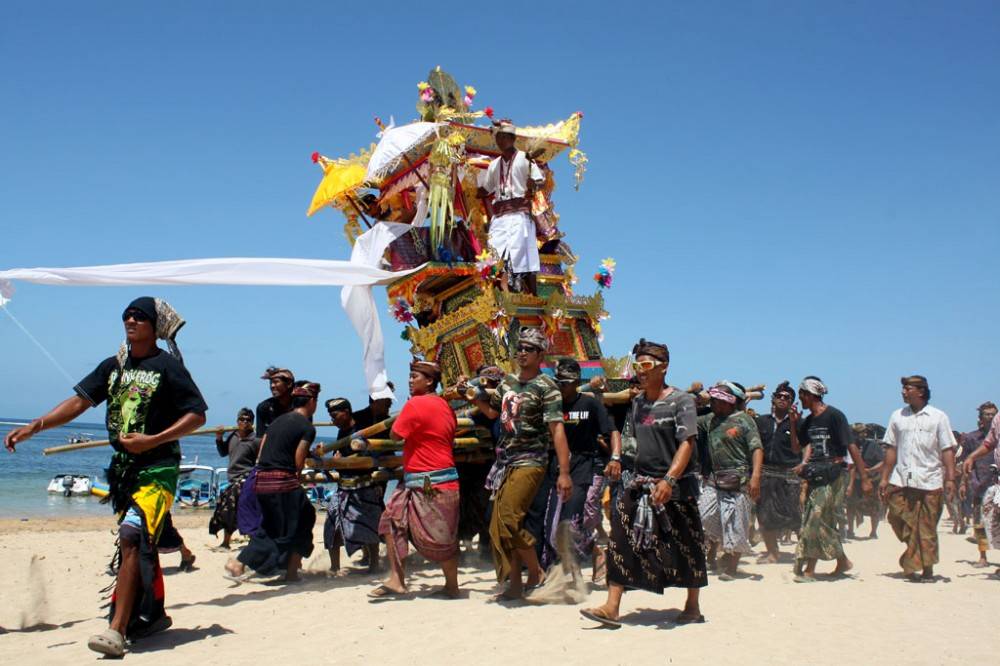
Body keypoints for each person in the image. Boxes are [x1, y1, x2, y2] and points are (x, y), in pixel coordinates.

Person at [5, 297, 207, 658]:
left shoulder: (168, 367)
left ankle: (116, 631)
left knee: (131, 536)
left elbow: (197, 415)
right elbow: (80, 402)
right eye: (127, 314)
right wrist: (36, 425)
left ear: (154, 325)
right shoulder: (112, 366)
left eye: (140, 316)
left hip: (158, 468)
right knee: (139, 543)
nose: (131, 319)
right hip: (123, 472)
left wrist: (153, 440)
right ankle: (152, 614)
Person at [580, 338, 707, 628]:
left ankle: (692, 605)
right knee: (620, 538)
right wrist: (617, 458)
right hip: (639, 485)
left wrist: (669, 480)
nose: (641, 371)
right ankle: (612, 607)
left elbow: (687, 443)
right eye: (637, 365)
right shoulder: (637, 403)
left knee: (687, 542)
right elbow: (631, 440)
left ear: (664, 368)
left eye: (646, 365)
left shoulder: (681, 401)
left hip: (676, 487)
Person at [474, 326, 572, 599]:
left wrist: (564, 472)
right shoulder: (507, 383)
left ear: (541, 354)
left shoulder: (547, 386)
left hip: (532, 461)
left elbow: (557, 430)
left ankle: (536, 570)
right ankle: (515, 583)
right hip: (505, 462)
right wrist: (471, 395)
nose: (521, 353)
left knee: (508, 519)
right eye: (519, 348)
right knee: (497, 525)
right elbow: (493, 412)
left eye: (528, 349)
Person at [369, 360, 461, 600]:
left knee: (441, 539)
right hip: (437, 480)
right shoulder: (444, 405)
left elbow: (395, 434)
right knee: (392, 522)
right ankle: (398, 580)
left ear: (429, 381)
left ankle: (451, 586)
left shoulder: (416, 404)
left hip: (428, 482)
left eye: (414, 376)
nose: (410, 381)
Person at [225, 381, 320, 583]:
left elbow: (262, 451)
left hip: (261, 480)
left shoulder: (278, 421)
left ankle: (292, 573)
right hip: (282, 483)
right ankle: (239, 563)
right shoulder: (307, 427)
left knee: (294, 520)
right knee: (281, 530)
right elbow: (298, 462)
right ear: (312, 402)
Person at [528, 358, 617, 569]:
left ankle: (595, 553)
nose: (562, 386)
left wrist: (615, 458)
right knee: (550, 523)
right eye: (558, 382)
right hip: (554, 465)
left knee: (571, 520)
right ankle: (553, 568)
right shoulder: (551, 405)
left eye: (566, 382)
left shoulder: (590, 404)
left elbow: (611, 431)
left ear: (577, 381)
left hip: (582, 464)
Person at [880, 376, 957, 582]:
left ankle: (927, 570)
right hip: (902, 479)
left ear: (921, 391)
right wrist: (885, 478)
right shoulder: (897, 416)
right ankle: (913, 556)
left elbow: (947, 449)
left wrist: (950, 479)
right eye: (903, 389)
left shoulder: (938, 417)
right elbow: (891, 448)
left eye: (908, 388)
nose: (903, 392)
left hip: (930, 480)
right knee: (896, 517)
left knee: (927, 527)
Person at [794, 376, 870, 581]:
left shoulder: (835, 416)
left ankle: (810, 569)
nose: (799, 398)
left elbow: (851, 446)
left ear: (810, 395)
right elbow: (799, 446)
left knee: (816, 519)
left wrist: (864, 478)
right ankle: (842, 561)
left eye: (801, 394)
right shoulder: (808, 421)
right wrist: (794, 424)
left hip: (834, 476)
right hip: (815, 476)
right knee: (820, 520)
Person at [697, 382, 763, 580]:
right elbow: (686, 417)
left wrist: (756, 477)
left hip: (739, 479)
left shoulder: (744, 420)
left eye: (717, 400)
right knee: (704, 516)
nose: (714, 403)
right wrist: (698, 398)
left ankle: (732, 568)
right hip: (714, 478)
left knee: (735, 522)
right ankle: (722, 550)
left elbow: (756, 448)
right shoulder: (708, 420)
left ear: (729, 402)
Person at [476, 120, 545, 295]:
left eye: (503, 137)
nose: (499, 141)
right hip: (499, 218)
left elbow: (540, 181)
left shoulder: (525, 159)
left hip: (519, 215)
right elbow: (486, 189)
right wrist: (463, 183)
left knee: (521, 251)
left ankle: (526, 292)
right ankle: (499, 287)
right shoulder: (494, 165)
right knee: (494, 252)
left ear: (512, 138)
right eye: (498, 138)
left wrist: (534, 185)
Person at [322, 397, 382, 574]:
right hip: (343, 488)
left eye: (335, 415)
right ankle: (334, 568)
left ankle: (374, 565)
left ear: (346, 412)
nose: (332, 420)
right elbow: (337, 458)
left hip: (364, 487)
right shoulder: (341, 433)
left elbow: (368, 459)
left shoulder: (363, 430)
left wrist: (340, 462)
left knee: (371, 528)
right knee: (332, 527)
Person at [754, 381, 802, 563]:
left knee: (794, 514)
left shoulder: (797, 423)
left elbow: (803, 449)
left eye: (787, 397)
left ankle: (804, 550)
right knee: (764, 515)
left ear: (792, 402)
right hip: (765, 473)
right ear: (773, 399)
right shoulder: (762, 421)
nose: (782, 399)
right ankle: (773, 553)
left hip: (789, 475)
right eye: (779, 396)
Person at [209, 408, 260, 549]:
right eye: (242, 419)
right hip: (232, 478)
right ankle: (226, 542)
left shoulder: (256, 440)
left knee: (235, 507)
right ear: (237, 421)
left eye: (248, 420)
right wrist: (219, 437)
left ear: (252, 422)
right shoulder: (233, 436)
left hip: (247, 478)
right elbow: (223, 452)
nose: (245, 422)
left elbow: (260, 460)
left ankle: (245, 540)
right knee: (228, 509)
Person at [959, 402, 997, 567]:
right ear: (980, 418)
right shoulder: (971, 438)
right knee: (979, 523)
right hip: (979, 484)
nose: (990, 417)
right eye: (987, 414)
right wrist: (963, 483)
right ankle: (983, 556)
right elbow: (965, 462)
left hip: (997, 485)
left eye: (993, 414)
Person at [845, 424, 885, 539]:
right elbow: (850, 465)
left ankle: (873, 532)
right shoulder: (852, 447)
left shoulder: (874, 446)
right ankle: (850, 531)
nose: (859, 436)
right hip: (856, 480)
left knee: (874, 507)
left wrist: (869, 470)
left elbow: (882, 462)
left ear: (865, 433)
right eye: (856, 434)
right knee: (851, 505)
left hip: (872, 480)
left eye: (861, 433)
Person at [256, 367, 295, 437]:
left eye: (276, 382)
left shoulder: (301, 406)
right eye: (271, 383)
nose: (272, 386)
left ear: (289, 384)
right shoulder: (264, 408)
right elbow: (260, 437)